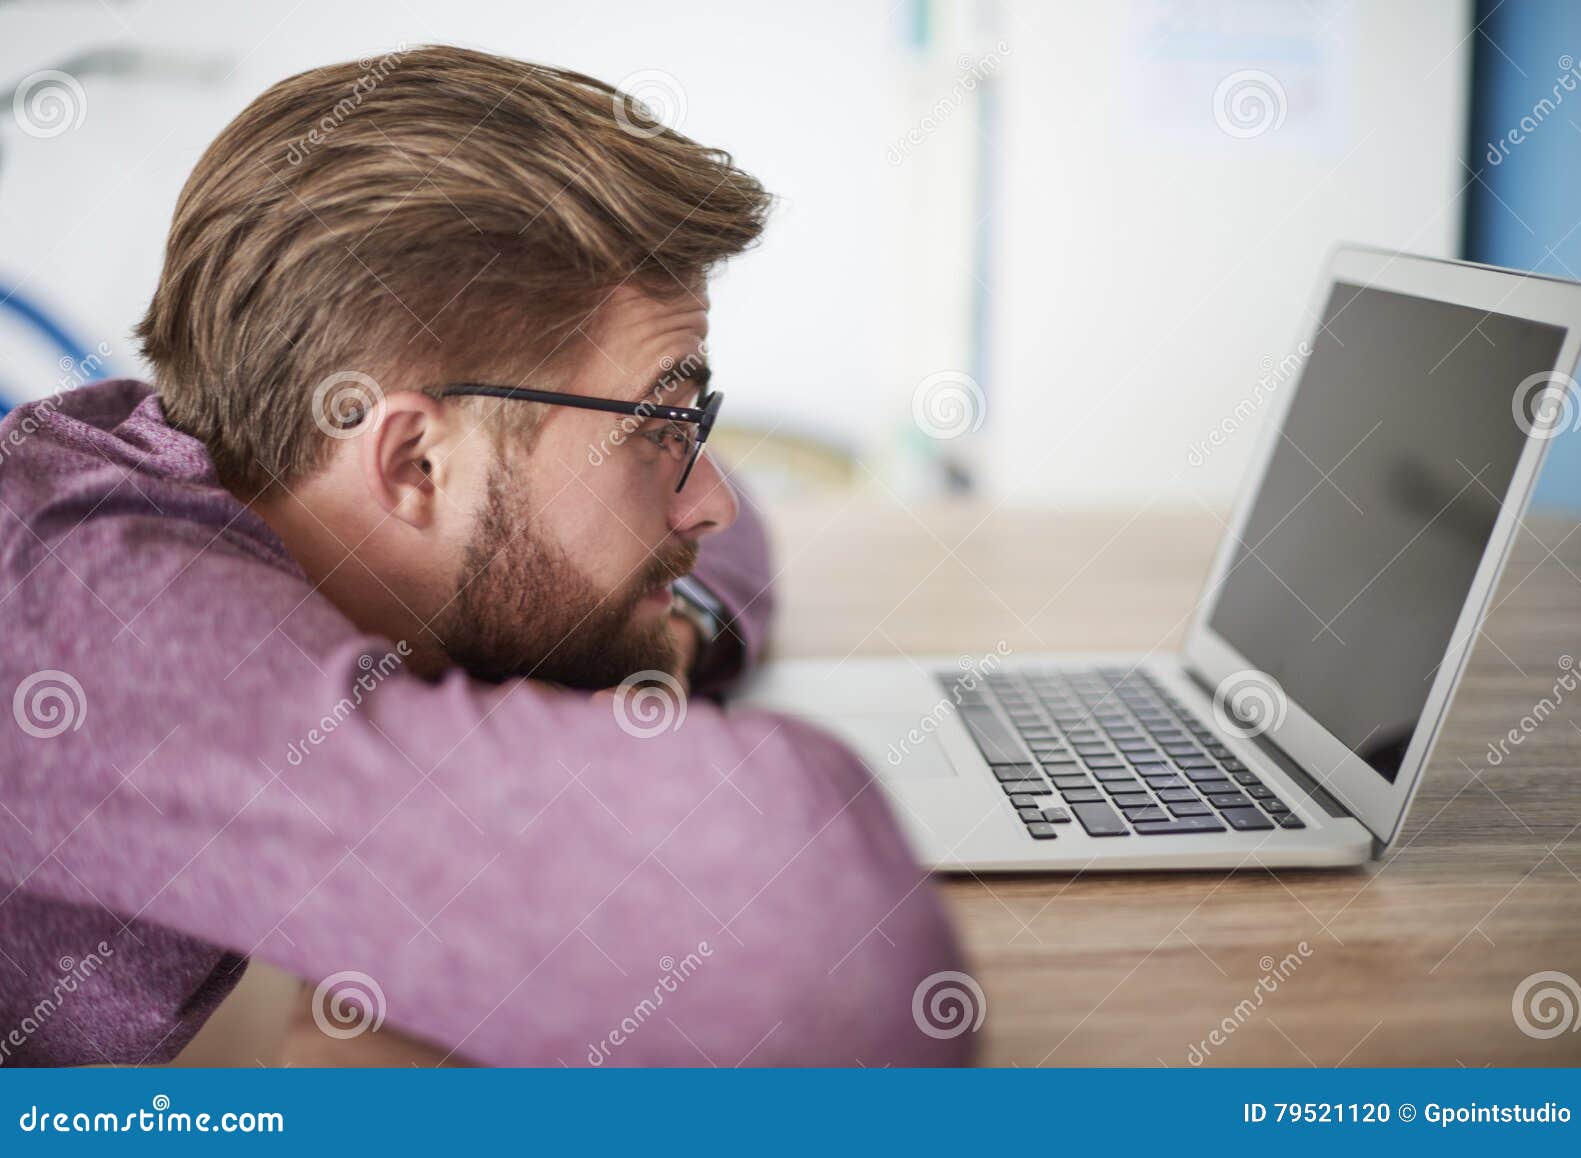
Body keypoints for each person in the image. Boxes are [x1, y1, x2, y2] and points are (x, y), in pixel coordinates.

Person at [0, 45, 968, 1066]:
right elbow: (828, 952)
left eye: (690, 426)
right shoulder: (99, 631)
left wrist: (665, 629)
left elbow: (735, 531)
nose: (712, 498)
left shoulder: (246, 487)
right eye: (655, 428)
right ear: (414, 459)